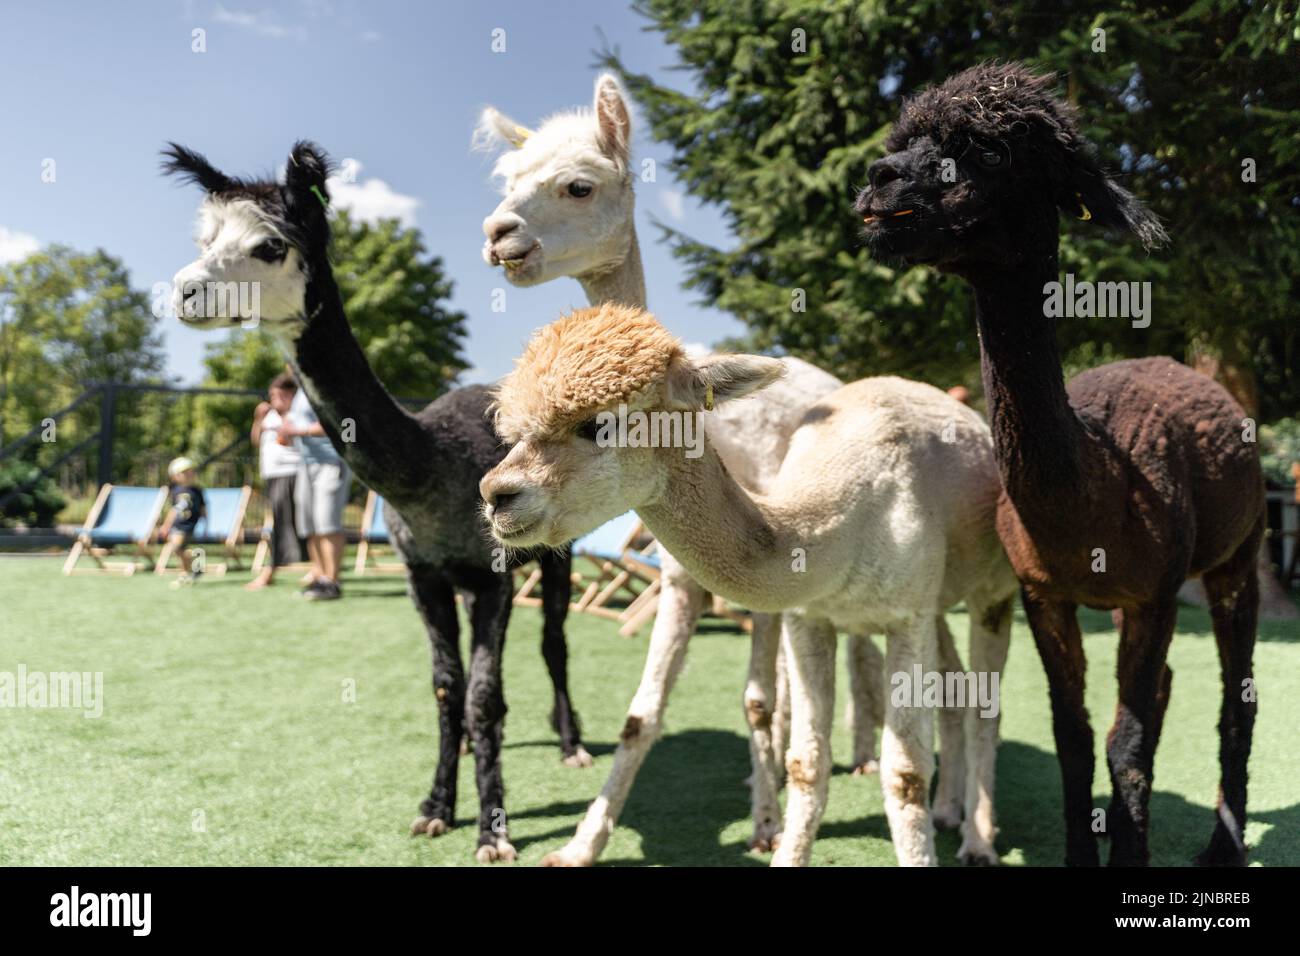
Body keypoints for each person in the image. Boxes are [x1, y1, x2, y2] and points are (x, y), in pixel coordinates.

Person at [279, 385, 352, 600]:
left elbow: (347, 427)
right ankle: (319, 577)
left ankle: (332, 581)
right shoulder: (301, 392)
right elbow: (295, 426)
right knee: (310, 525)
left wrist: (297, 431)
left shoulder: (330, 388)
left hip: (332, 462)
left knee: (327, 524)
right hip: (306, 464)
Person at [246, 373, 304, 591]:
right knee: (286, 521)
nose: (272, 400)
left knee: (284, 523)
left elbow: (287, 441)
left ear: (289, 395)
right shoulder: (269, 415)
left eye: (277, 395)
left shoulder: (296, 415)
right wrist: (258, 419)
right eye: (271, 395)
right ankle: (315, 567)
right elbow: (255, 440)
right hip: (273, 474)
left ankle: (271, 570)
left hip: (291, 472)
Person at [157, 456, 206, 588]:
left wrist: (205, 521)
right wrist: (166, 525)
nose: (190, 474)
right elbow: (174, 510)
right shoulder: (175, 491)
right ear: (175, 476)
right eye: (185, 472)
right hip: (177, 524)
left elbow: (203, 508)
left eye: (191, 471)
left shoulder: (197, 490)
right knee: (178, 550)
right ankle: (190, 569)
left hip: (188, 524)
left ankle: (187, 571)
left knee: (177, 547)